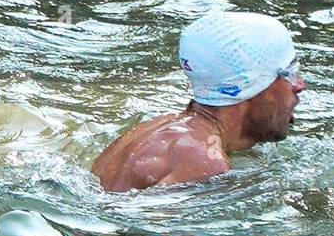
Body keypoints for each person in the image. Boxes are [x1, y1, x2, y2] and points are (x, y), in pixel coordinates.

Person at [92, 11, 307, 192]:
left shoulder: (152, 129)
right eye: (290, 73)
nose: (299, 85)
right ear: (253, 84)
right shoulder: (204, 160)